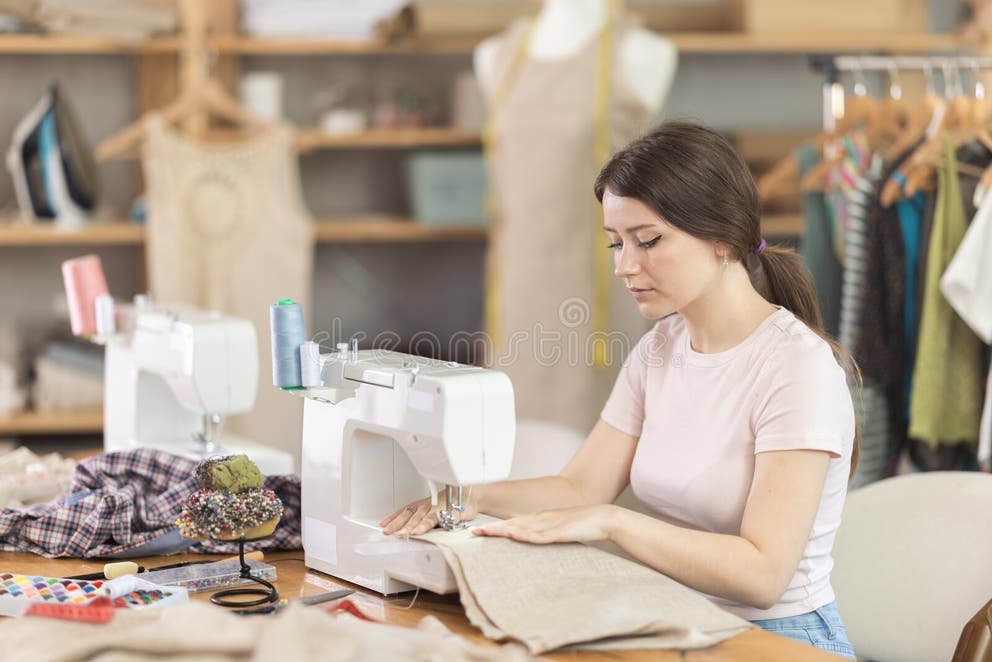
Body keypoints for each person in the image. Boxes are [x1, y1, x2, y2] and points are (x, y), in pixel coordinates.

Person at [381, 121, 860, 659]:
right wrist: (468, 496)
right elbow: (580, 488)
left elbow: (763, 573)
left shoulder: (797, 368)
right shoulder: (660, 351)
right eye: (616, 243)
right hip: (679, 621)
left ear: (722, 237)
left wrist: (614, 522)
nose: (624, 267)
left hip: (780, 639)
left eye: (648, 241)